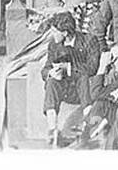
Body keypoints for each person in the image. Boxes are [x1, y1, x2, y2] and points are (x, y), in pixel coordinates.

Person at [41, 12, 102, 146]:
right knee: (51, 82)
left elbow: (92, 68)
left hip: (85, 90)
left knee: (83, 76)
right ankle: (53, 130)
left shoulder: (89, 40)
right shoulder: (54, 45)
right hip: (65, 89)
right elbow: (44, 69)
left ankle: (88, 125)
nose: (53, 35)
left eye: (55, 32)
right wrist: (51, 73)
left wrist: (69, 68)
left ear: (65, 32)